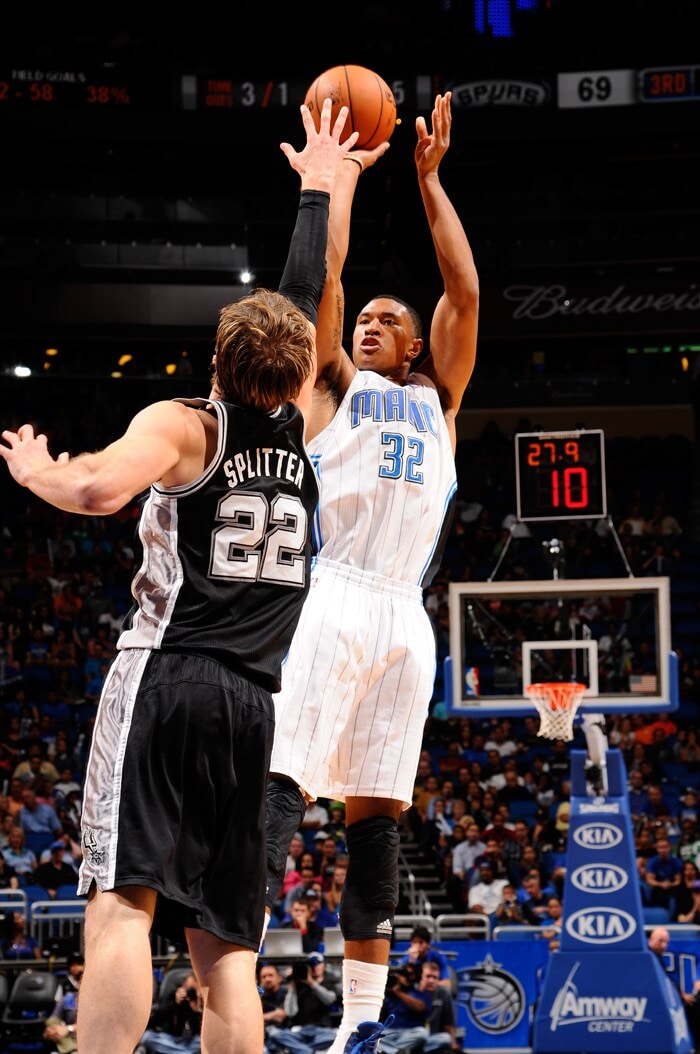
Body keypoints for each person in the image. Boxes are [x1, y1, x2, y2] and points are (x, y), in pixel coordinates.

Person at [0, 98, 357, 1054]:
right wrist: (325, 190)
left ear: (213, 360)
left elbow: (100, 493)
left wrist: (40, 472)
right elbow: (310, 299)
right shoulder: (308, 434)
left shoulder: (183, 424)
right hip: (254, 705)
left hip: (168, 676)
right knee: (227, 951)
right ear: (294, 377)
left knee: (122, 906)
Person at [264, 91, 479, 1054]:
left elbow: (465, 292)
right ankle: (233, 952)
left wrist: (431, 183)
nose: (372, 325)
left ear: (417, 344)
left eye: (392, 320)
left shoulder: (441, 398)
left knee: (380, 821)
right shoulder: (334, 392)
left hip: (406, 619)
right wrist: (336, 180)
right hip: (337, 591)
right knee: (283, 781)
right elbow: (326, 280)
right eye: (368, 319)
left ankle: (358, 1025)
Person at [647, 925, 700, 1049]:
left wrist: (681, 994)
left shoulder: (658, 957)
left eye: (666, 942)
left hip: (669, 996)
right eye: (660, 941)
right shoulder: (647, 957)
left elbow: (667, 980)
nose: (664, 945)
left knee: (695, 1002)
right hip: (656, 999)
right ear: (650, 940)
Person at [136, 973, 203, 1054]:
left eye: (192, 990)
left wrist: (196, 1009)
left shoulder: (200, 1003)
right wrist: (175, 1005)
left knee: (202, 1041)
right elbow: (161, 1024)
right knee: (147, 1037)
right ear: (182, 986)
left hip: (189, 1041)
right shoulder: (171, 998)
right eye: (187, 988)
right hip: (170, 1039)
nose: (189, 992)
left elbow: (197, 1032)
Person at [400, 926, 451, 990]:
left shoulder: (438, 957)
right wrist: (412, 960)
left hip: (433, 992)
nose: (417, 946)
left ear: (428, 944)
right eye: (414, 942)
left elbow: (447, 984)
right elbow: (404, 982)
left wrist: (428, 983)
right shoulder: (406, 960)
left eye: (421, 942)